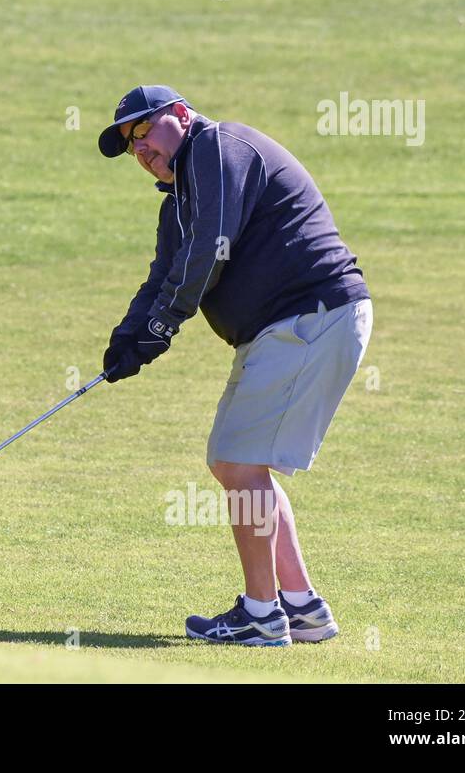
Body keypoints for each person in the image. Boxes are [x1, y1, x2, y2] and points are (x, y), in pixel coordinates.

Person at [98, 85, 372, 646]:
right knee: (239, 465)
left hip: (308, 317)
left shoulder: (218, 149)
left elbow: (210, 250)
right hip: (291, 328)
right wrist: (130, 336)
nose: (141, 151)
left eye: (144, 132)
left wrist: (161, 327)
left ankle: (262, 614)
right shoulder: (178, 198)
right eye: (130, 147)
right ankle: (302, 608)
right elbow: (165, 272)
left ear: (179, 115)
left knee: (239, 463)